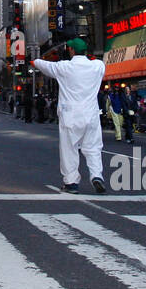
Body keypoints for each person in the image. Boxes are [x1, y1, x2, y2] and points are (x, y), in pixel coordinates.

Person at [33, 39, 107, 194]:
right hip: (91, 115)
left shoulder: (64, 67)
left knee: (69, 149)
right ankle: (96, 176)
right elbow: (97, 62)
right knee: (93, 148)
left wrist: (34, 61)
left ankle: (71, 182)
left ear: (71, 50)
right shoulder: (98, 66)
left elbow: (46, 66)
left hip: (71, 115)